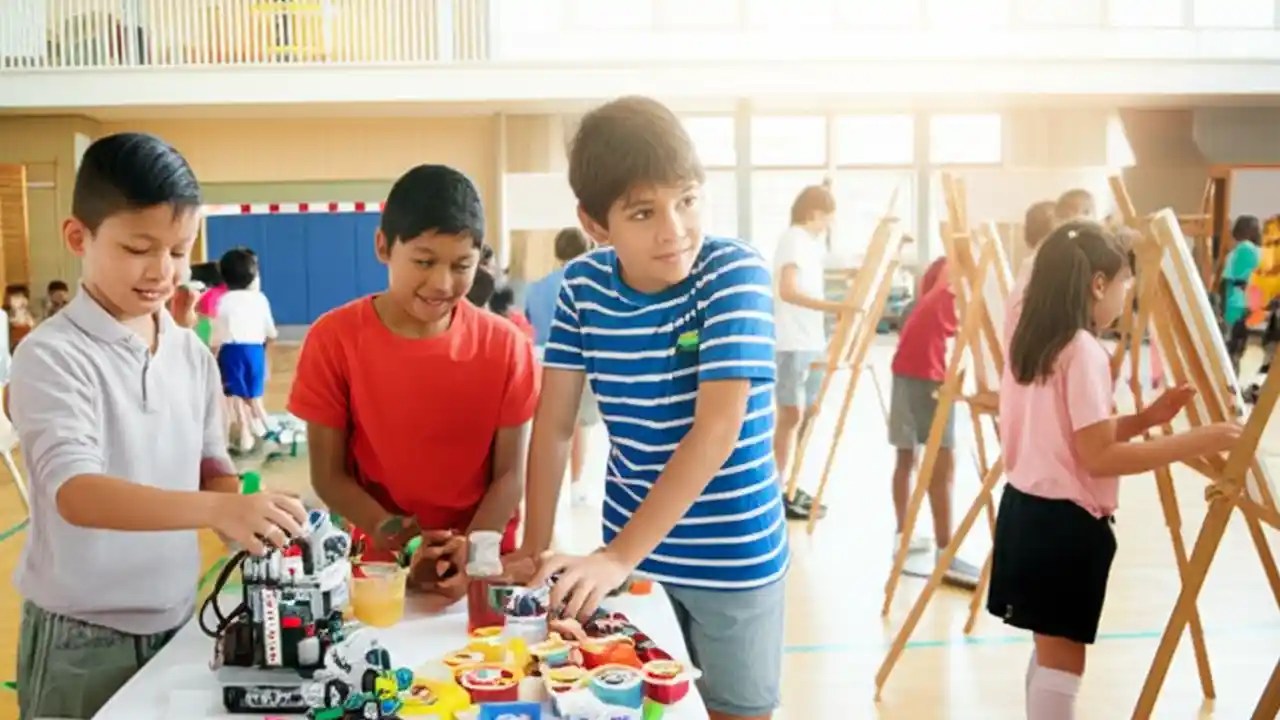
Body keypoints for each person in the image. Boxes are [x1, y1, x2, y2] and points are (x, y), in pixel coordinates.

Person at [8, 132, 307, 720]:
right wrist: (219, 509)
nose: (162, 270)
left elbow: (210, 464)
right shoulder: (51, 354)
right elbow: (77, 493)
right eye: (138, 248)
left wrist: (246, 515)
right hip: (80, 641)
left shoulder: (190, 353)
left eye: (178, 250)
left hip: (178, 622)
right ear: (78, 237)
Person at [521, 96, 787, 720]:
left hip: (732, 559)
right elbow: (554, 425)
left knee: (735, 712)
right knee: (638, 707)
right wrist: (534, 549)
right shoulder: (583, 287)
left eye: (687, 200)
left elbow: (715, 431)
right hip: (634, 559)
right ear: (595, 224)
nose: (675, 229)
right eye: (644, 212)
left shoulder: (734, 273)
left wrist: (616, 556)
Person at [990, 221, 1241, 719]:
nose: (1127, 297)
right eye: (1126, 283)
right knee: (1063, 663)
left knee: (1049, 652)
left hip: (1027, 512)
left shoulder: (1034, 341)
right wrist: (1195, 441)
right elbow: (1098, 456)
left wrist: (1144, 421)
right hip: (1063, 525)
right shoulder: (1082, 350)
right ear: (1099, 284)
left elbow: (1075, 436)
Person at [287, 164, 538, 607]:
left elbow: (510, 475)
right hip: (379, 572)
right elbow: (329, 476)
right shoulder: (335, 340)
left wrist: (473, 556)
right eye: (424, 261)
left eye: (461, 265)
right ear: (383, 246)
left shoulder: (506, 346)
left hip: (482, 565)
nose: (442, 283)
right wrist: (405, 544)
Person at [886, 256, 979, 586]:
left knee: (908, 455)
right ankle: (945, 553)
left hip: (909, 365)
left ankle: (904, 536)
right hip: (929, 371)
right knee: (942, 462)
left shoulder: (945, 266)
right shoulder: (965, 275)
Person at [772, 184, 842, 522]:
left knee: (807, 414)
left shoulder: (811, 246)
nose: (830, 223)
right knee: (791, 417)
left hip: (811, 341)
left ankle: (789, 482)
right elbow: (788, 290)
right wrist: (835, 307)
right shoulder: (794, 239)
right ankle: (775, 489)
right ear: (815, 213)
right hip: (792, 342)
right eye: (829, 216)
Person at [524, 227, 602, 507]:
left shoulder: (536, 288)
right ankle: (576, 485)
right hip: (579, 358)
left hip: (542, 359)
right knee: (579, 424)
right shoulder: (590, 287)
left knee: (548, 425)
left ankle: (547, 489)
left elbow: (529, 322)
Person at [213, 247, 278, 454]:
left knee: (236, 396)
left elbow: (218, 334)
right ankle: (268, 429)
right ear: (253, 275)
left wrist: (213, 354)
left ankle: (244, 435)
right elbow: (271, 332)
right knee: (254, 395)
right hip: (255, 351)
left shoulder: (223, 301)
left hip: (231, 351)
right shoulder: (260, 299)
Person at [1223, 215, 1262, 374]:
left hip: (1236, 302)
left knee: (1232, 345)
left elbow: (1232, 278)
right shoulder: (1249, 249)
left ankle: (1230, 377)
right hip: (1243, 302)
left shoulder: (1241, 249)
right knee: (1237, 345)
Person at [5, 284, 35, 352]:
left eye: (25, 297)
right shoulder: (4, 317)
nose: (23, 300)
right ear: (8, 299)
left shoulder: (32, 317)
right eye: (17, 297)